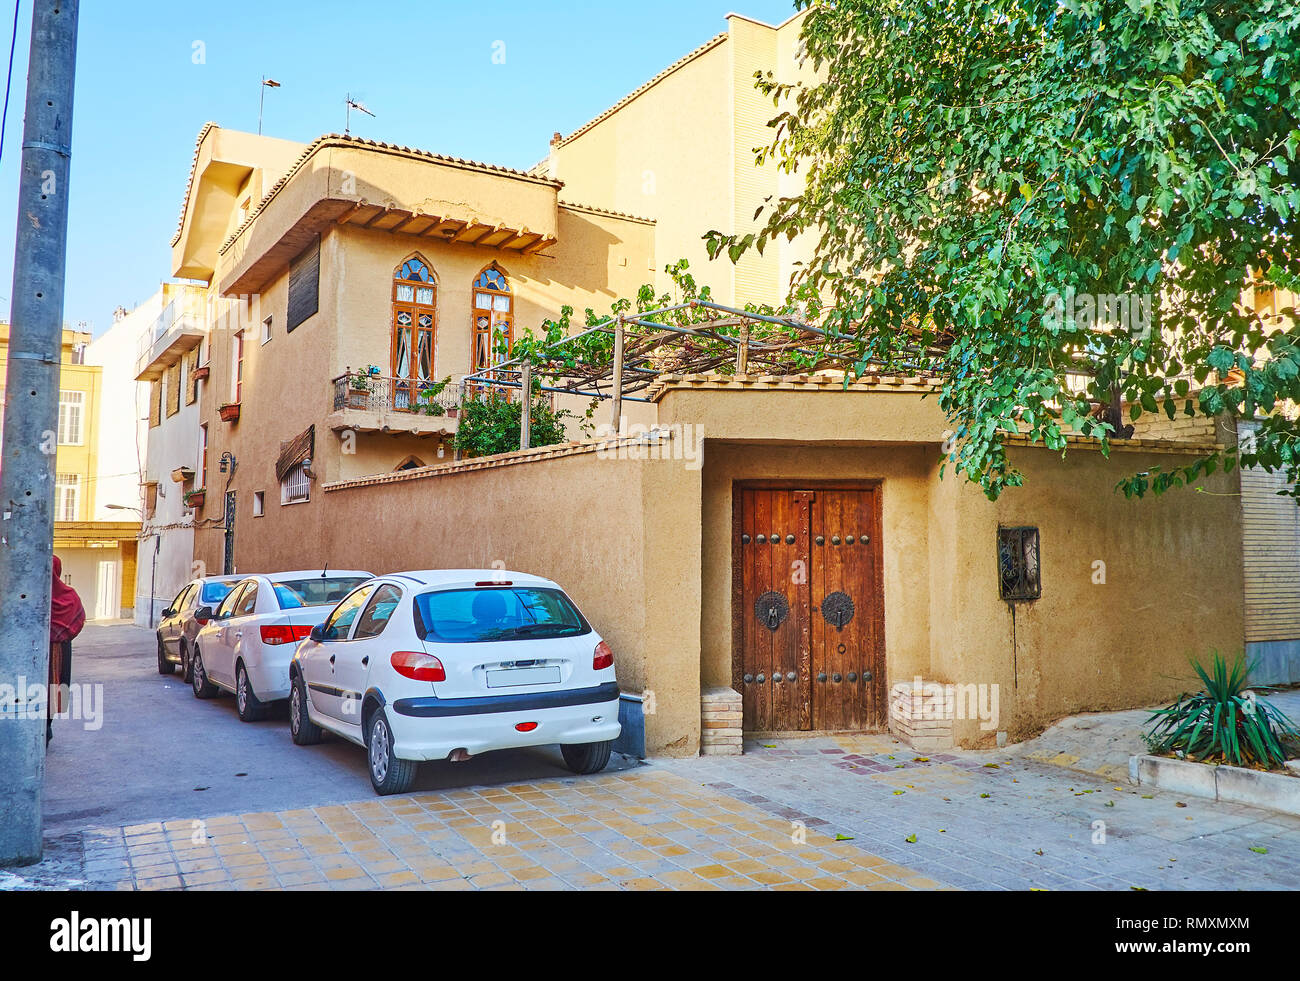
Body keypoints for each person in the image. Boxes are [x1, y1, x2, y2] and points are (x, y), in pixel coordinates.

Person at [48, 555, 86, 745]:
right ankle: (47, 727)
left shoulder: (32, 595)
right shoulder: (69, 596)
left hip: (35, 649)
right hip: (61, 648)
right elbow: (78, 620)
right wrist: (62, 635)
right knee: (56, 687)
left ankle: (42, 728)